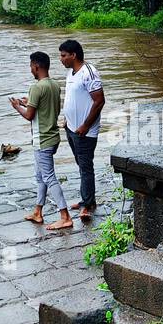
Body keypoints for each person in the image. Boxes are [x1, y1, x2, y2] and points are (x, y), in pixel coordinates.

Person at [9, 51, 73, 231]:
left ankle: (65, 216)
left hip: (42, 139)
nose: (30, 69)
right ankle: (38, 211)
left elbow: (30, 116)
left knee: (48, 177)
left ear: (36, 66)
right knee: (40, 176)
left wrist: (17, 107)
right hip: (53, 137)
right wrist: (27, 102)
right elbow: (48, 107)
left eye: (31, 66)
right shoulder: (54, 85)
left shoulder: (36, 87)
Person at [59, 38, 105, 222]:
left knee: (85, 166)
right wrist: (66, 119)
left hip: (85, 131)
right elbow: (72, 99)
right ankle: (88, 199)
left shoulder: (89, 72)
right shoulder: (71, 73)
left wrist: (85, 126)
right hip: (71, 128)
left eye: (63, 56)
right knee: (81, 164)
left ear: (73, 55)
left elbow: (99, 100)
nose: (61, 59)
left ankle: (87, 205)